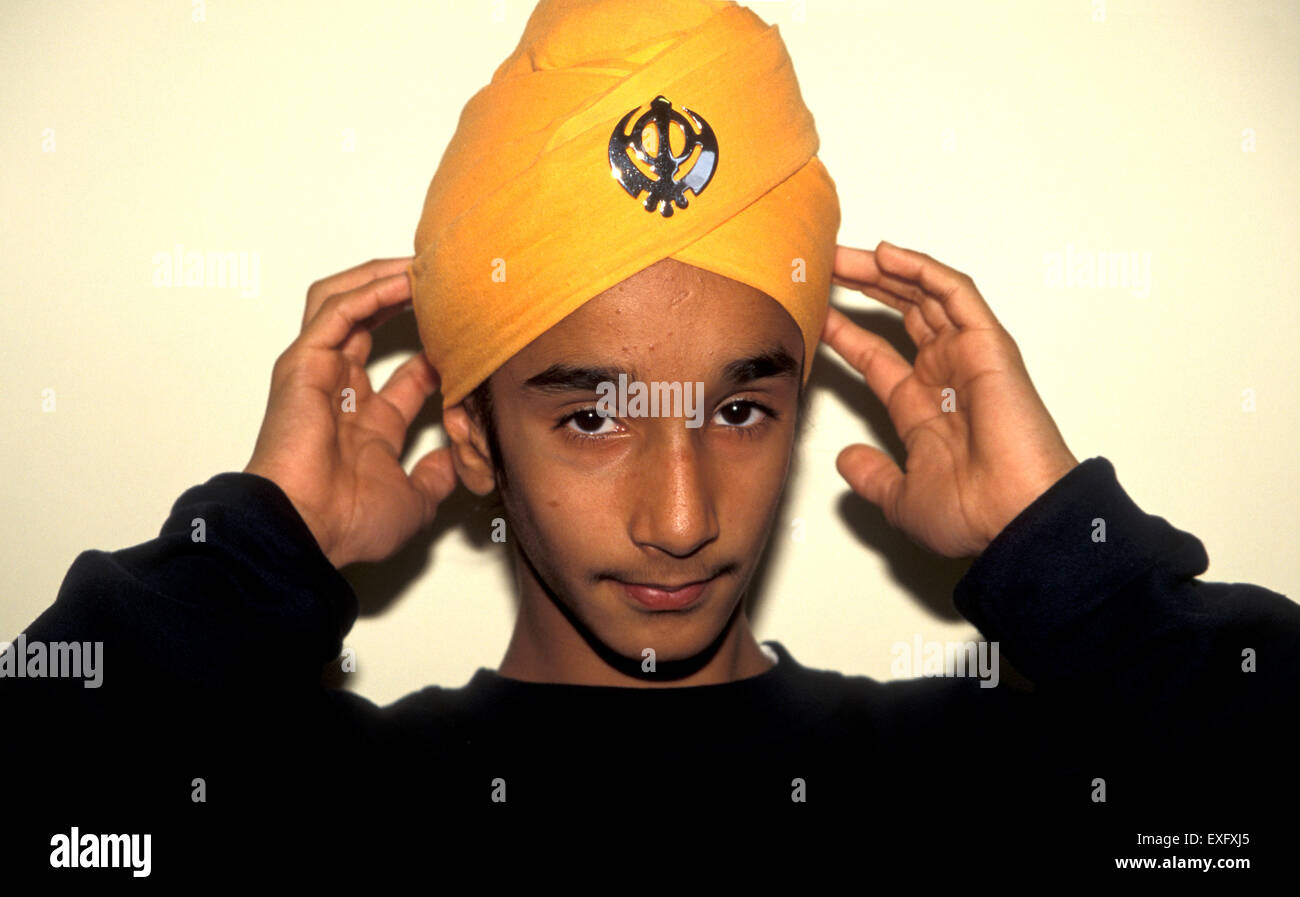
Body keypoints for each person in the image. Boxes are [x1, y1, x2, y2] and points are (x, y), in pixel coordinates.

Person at [3, 0, 1295, 880]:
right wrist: (253, 554)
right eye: (589, 414)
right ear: (476, 437)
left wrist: (1066, 554)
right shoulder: (326, 818)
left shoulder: (975, 794)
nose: (681, 516)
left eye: (741, 407)